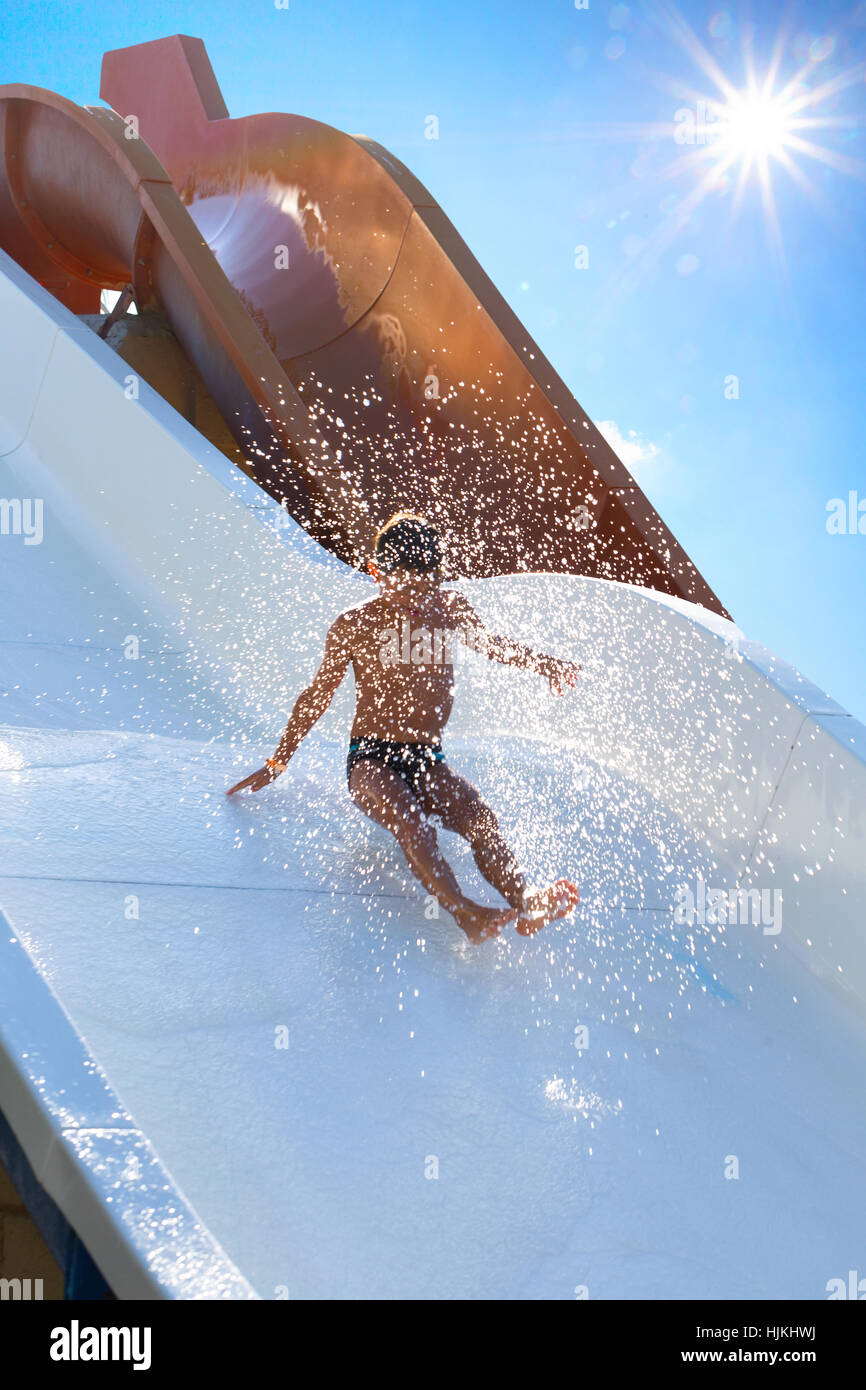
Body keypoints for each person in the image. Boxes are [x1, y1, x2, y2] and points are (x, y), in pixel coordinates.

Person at [227, 513, 580, 943]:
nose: (419, 597)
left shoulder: (450, 608)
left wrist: (546, 664)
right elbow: (317, 695)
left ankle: (527, 901)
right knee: (413, 823)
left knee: (480, 819)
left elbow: (493, 646)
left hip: (427, 758)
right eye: (406, 585)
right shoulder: (355, 623)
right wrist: (278, 761)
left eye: (427, 584)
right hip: (371, 759)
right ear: (377, 573)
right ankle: (464, 911)